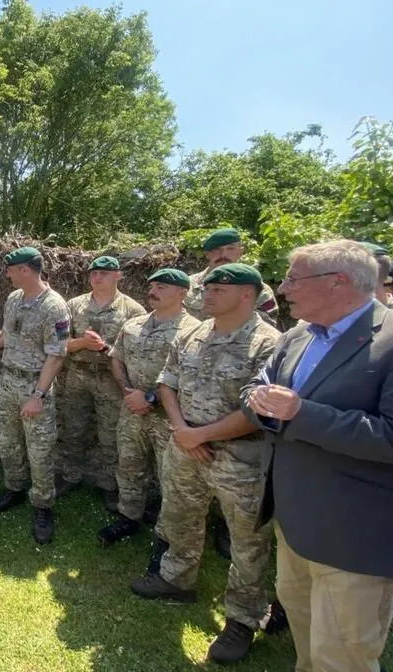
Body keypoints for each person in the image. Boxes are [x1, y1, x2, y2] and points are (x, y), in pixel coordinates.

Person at [242, 239, 393, 672]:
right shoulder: (298, 335)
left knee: (343, 658)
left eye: (294, 277)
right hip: (296, 527)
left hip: (357, 538)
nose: (282, 287)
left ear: (337, 282)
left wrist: (301, 413)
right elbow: (258, 388)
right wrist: (259, 402)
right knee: (308, 644)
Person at [131, 263, 281, 665]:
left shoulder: (270, 343)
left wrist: (202, 435)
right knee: (180, 515)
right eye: (208, 288)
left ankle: (242, 619)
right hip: (184, 447)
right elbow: (167, 382)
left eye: (219, 289)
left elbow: (259, 409)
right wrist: (182, 431)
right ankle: (177, 579)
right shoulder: (193, 333)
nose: (208, 294)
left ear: (247, 294)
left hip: (240, 460)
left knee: (247, 542)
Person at [0, 247, 70, 545]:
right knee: (8, 443)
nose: (8, 274)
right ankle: (14, 488)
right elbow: (4, 336)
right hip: (8, 383)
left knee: (39, 452)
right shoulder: (14, 299)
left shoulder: (54, 306)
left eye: (11, 269)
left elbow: (57, 355)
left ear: (25, 270)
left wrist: (38, 395)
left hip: (34, 388)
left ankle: (42, 506)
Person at [101, 269, 199, 549]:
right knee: (129, 466)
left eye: (163, 287)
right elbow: (116, 359)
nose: (153, 290)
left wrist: (150, 398)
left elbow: (191, 376)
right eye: (153, 285)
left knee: (172, 477)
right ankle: (128, 517)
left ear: (182, 293)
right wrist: (129, 393)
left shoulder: (195, 331)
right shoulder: (134, 324)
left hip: (170, 418)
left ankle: (169, 536)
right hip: (131, 411)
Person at [57, 256, 146, 509]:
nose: (97, 277)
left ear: (118, 275)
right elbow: (59, 343)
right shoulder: (74, 306)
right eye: (93, 273)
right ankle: (70, 476)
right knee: (73, 429)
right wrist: (82, 344)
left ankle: (109, 485)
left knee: (110, 435)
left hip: (111, 379)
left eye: (104, 273)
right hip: (78, 374)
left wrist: (105, 347)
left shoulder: (133, 310)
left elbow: (136, 351)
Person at [184, 227, 279, 325]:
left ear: (240, 252)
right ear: (207, 254)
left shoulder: (258, 290)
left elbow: (266, 328)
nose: (224, 255)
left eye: (230, 249)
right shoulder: (187, 285)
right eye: (217, 249)